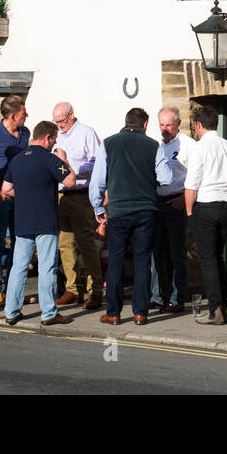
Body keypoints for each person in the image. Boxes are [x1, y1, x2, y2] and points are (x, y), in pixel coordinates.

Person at [90, 108, 169, 325]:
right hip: (146, 210)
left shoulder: (108, 143)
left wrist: (98, 208)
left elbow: (97, 182)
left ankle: (114, 313)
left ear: (126, 122)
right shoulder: (154, 145)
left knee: (116, 260)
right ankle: (140, 312)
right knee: (143, 260)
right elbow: (166, 178)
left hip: (118, 211)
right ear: (145, 124)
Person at [2, 121, 76, 327]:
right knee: (47, 267)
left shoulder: (16, 160)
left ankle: (11, 311)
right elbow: (70, 181)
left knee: (18, 267)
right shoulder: (50, 159)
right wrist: (65, 161)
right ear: (47, 138)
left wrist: (24, 194)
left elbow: (6, 189)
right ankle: (49, 312)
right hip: (45, 221)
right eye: (54, 139)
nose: (54, 143)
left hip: (22, 220)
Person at [184, 105, 227, 325]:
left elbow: (191, 185)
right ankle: (223, 306)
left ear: (199, 125)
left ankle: (215, 310)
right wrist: (224, 184)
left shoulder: (199, 149)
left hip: (206, 205)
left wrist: (190, 212)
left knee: (207, 259)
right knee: (217, 256)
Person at [52, 101, 104, 309]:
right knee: (65, 244)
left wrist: (72, 168)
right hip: (60, 195)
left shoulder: (86, 133)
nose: (60, 125)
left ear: (72, 115)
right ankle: (73, 289)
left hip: (81, 194)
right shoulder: (57, 136)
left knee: (86, 244)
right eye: (56, 122)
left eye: (62, 121)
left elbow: (97, 162)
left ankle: (95, 291)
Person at [0, 95, 29, 308]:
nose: (26, 116)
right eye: (23, 114)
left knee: (19, 244)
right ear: (12, 116)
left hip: (20, 197)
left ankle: (12, 286)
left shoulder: (25, 133)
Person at [151, 106, 194, 312]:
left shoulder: (188, 145)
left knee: (177, 253)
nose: (164, 129)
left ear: (178, 124)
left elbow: (196, 176)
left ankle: (177, 297)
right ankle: (158, 295)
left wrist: (184, 200)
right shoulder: (156, 145)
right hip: (157, 202)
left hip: (176, 202)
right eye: (161, 124)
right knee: (156, 252)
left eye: (168, 124)